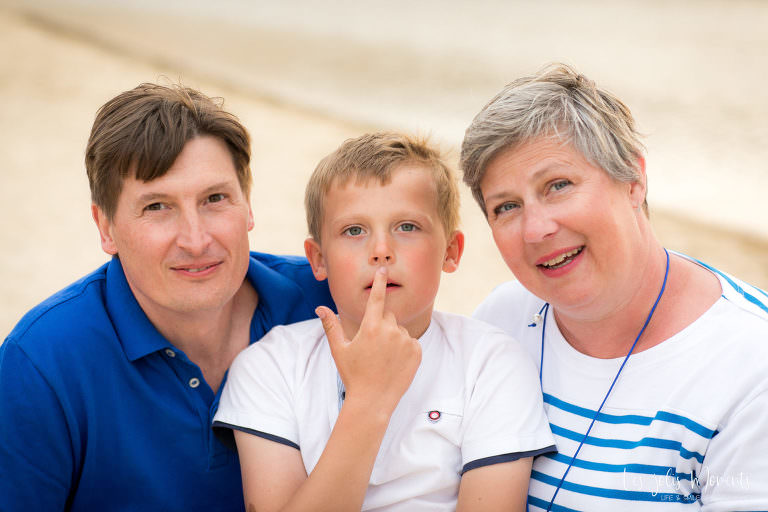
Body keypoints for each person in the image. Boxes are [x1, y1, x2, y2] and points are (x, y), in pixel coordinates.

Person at [0, 83, 334, 511]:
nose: (196, 241)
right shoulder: (42, 362)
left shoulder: (329, 299)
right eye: (157, 206)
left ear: (248, 205)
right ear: (105, 227)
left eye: (215, 199)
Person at [460, 63, 768, 510]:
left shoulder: (751, 366)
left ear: (632, 181)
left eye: (558, 185)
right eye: (506, 206)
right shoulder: (501, 323)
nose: (536, 229)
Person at [213, 132, 556, 511]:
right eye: (354, 231)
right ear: (318, 259)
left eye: (407, 227)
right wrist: (368, 400)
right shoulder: (269, 366)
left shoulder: (491, 363)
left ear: (451, 251)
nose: (381, 252)